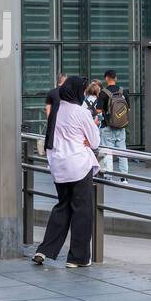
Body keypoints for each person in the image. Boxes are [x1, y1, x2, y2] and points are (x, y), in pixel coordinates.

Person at [33, 76, 99, 268]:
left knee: (62, 207)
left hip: (58, 166)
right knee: (82, 211)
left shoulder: (56, 110)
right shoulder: (81, 112)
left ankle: (44, 250)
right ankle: (77, 258)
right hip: (78, 165)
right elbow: (94, 142)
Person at [96, 70, 130, 182]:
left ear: (106, 78)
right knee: (122, 152)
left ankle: (108, 176)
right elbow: (128, 109)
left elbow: (98, 110)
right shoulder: (123, 91)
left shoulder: (103, 93)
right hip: (121, 126)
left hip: (107, 126)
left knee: (107, 152)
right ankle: (124, 177)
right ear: (116, 78)